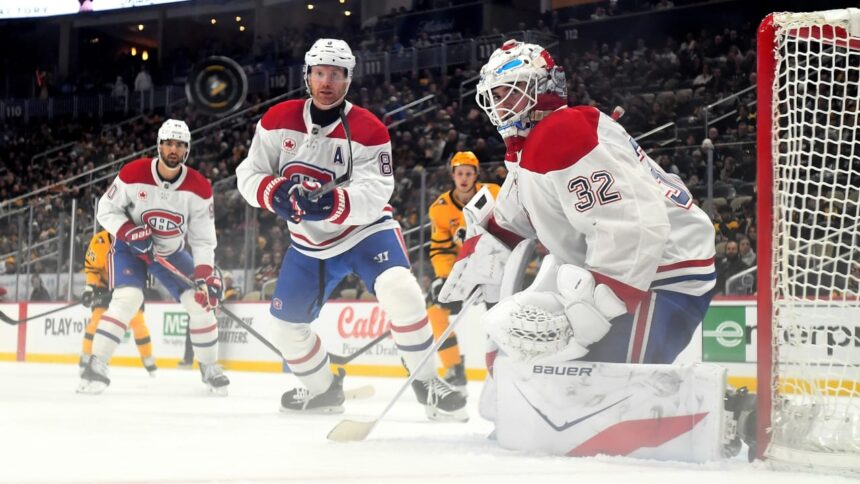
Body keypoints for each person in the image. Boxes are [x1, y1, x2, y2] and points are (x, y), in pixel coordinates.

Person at [439, 40, 754, 461]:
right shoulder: (531, 146)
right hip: (634, 269)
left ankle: (728, 410)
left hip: (662, 273)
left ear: (543, 89)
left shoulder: (561, 130)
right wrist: (480, 255)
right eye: (495, 94)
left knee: (591, 390)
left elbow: (634, 222)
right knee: (528, 345)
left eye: (511, 89)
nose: (500, 102)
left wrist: (598, 305)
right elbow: (515, 218)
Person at [236, 38, 466, 420]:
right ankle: (323, 390)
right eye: (320, 73)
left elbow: (377, 190)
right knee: (285, 329)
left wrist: (331, 203)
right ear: (307, 76)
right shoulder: (277, 120)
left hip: (365, 232)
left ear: (348, 79)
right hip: (308, 245)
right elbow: (250, 171)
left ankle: (427, 383)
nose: (327, 82)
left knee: (401, 289)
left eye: (336, 75)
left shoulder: (369, 128)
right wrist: (271, 192)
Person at [78, 119, 229, 395]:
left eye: (180, 145)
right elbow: (105, 210)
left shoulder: (199, 188)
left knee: (201, 305)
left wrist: (205, 277)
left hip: (169, 253)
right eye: (169, 143)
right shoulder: (133, 172)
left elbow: (203, 239)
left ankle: (210, 368)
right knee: (128, 299)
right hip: (131, 248)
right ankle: (95, 365)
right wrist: (129, 231)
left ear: (187, 150)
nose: (174, 149)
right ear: (159, 145)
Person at [427, 151, 500, 392]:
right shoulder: (440, 208)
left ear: (476, 174)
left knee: (500, 320)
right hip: (464, 273)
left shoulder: (493, 194)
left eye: (469, 173)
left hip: (497, 267)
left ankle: (502, 369)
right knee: (435, 309)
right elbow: (439, 248)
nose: (465, 178)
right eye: (460, 173)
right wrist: (443, 277)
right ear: (453, 175)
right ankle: (454, 369)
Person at [79, 230, 156, 376]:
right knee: (96, 321)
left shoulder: (136, 236)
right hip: (104, 286)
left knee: (138, 321)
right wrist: (90, 288)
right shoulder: (100, 241)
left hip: (128, 283)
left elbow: (148, 259)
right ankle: (86, 357)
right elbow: (92, 268)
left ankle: (147, 357)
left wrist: (149, 274)